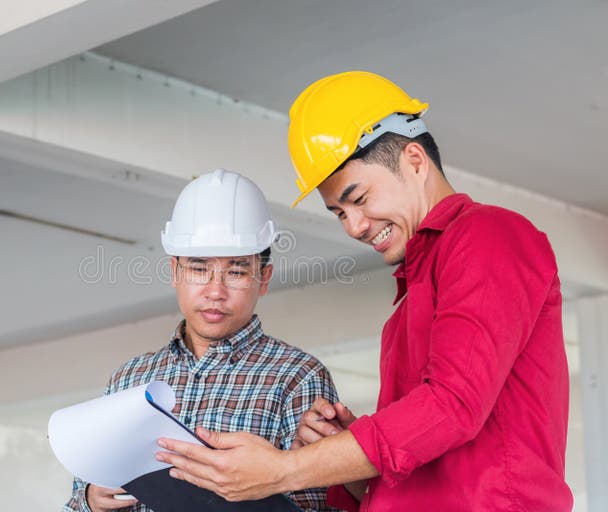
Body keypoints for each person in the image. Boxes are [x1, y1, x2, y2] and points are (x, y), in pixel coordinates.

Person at [156, 72, 573, 511]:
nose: (354, 226)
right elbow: (422, 454)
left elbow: (451, 407)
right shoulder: (411, 299)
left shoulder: (488, 235)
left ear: (414, 159)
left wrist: (282, 470)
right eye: (338, 213)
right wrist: (348, 452)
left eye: (360, 199)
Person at [62, 169, 340, 512]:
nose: (215, 291)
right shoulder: (130, 378)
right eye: (198, 269)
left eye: (236, 272)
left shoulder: (298, 378)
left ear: (263, 278)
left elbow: (315, 504)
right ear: (175, 271)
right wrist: (90, 501)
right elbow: (78, 498)